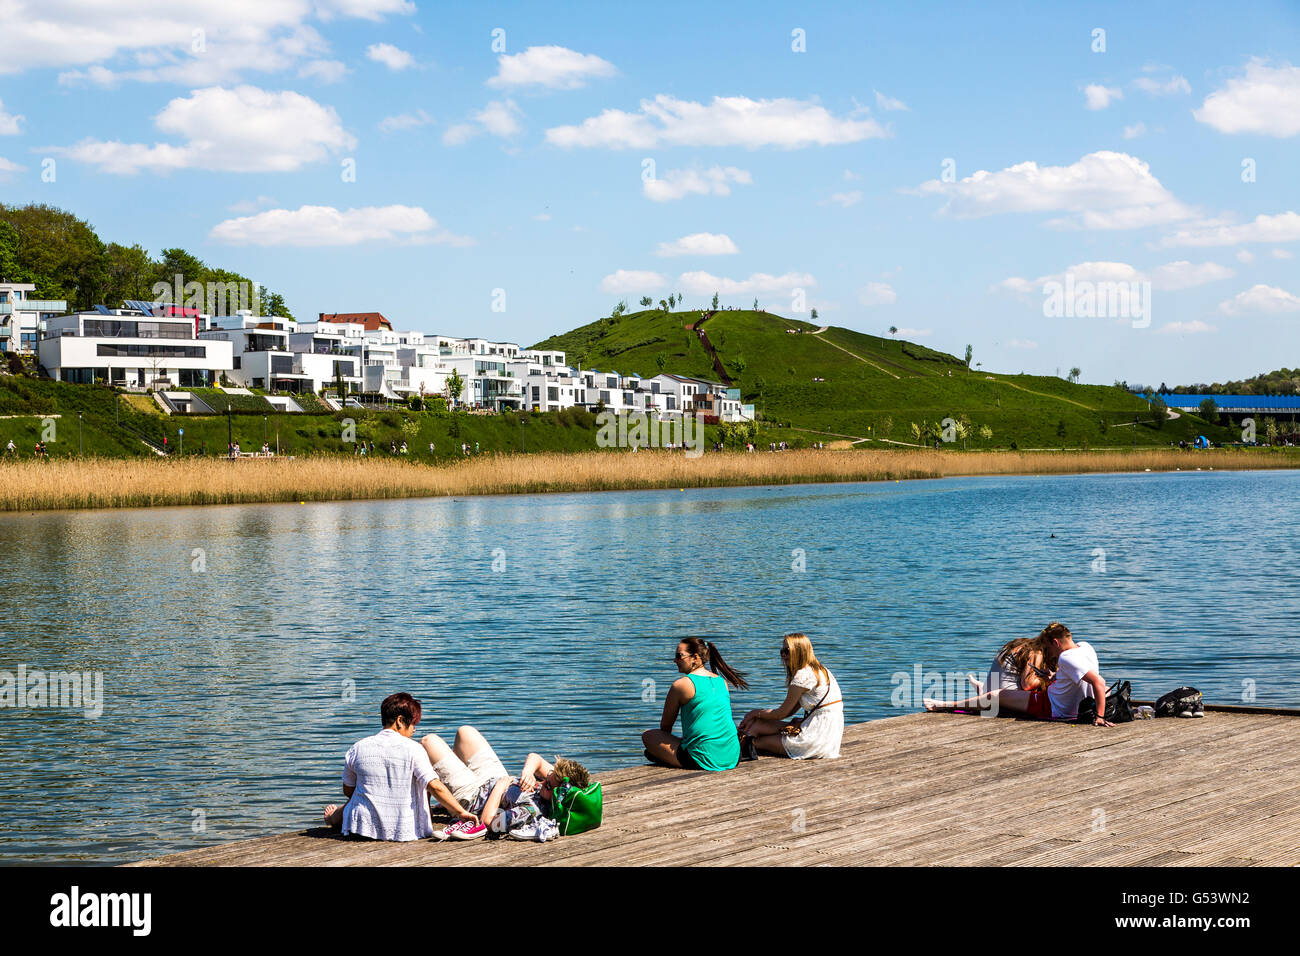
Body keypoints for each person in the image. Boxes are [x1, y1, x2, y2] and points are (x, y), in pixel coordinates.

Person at [323, 693, 475, 841]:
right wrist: (461, 812)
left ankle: (333, 818)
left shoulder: (357, 748)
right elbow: (435, 786)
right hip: (405, 830)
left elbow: (348, 790)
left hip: (362, 828)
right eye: (413, 724)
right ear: (400, 721)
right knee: (421, 783)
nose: (414, 730)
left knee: (354, 801)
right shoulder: (413, 749)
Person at [923, 623, 1114, 727]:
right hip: (1078, 705)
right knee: (1104, 689)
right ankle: (978, 693)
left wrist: (1099, 717)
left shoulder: (1065, 657)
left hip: (1053, 707)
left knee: (997, 696)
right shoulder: (1086, 647)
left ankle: (945, 706)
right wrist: (1053, 678)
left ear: (1055, 642)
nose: (1051, 653)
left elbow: (1098, 681)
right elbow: (1087, 681)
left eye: (1048, 647)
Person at [419, 725, 589, 841]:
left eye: (549, 785)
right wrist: (528, 773)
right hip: (494, 777)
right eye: (547, 778)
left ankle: (447, 802)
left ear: (559, 798)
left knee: (429, 741)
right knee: (465, 732)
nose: (543, 782)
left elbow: (488, 821)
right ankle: (447, 786)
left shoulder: (530, 810)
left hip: (473, 798)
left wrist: (501, 786)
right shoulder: (556, 780)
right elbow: (535, 758)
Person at [642, 638, 748, 771]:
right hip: (733, 756)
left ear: (695, 658)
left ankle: (666, 755)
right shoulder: (721, 682)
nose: (675, 660)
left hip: (703, 759)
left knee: (648, 735)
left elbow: (665, 727)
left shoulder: (681, 685)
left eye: (679, 656)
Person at [739, 632, 843, 759]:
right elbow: (788, 712)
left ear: (799, 651)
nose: (783, 655)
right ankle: (741, 741)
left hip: (816, 737)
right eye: (781, 651)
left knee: (756, 742)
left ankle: (738, 747)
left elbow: (781, 713)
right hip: (826, 732)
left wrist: (754, 713)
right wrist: (757, 717)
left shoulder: (803, 676)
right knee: (757, 724)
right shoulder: (821, 670)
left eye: (787, 651)